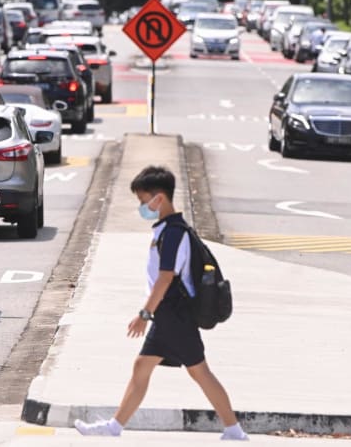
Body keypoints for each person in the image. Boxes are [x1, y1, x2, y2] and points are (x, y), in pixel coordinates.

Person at [73, 166, 248, 441]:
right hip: (170, 315)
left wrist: (145, 314)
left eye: (144, 201)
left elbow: (165, 278)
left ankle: (234, 429)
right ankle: (114, 428)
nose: (142, 207)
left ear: (160, 198)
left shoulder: (174, 233)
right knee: (144, 366)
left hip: (174, 315)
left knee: (199, 372)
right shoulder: (168, 230)